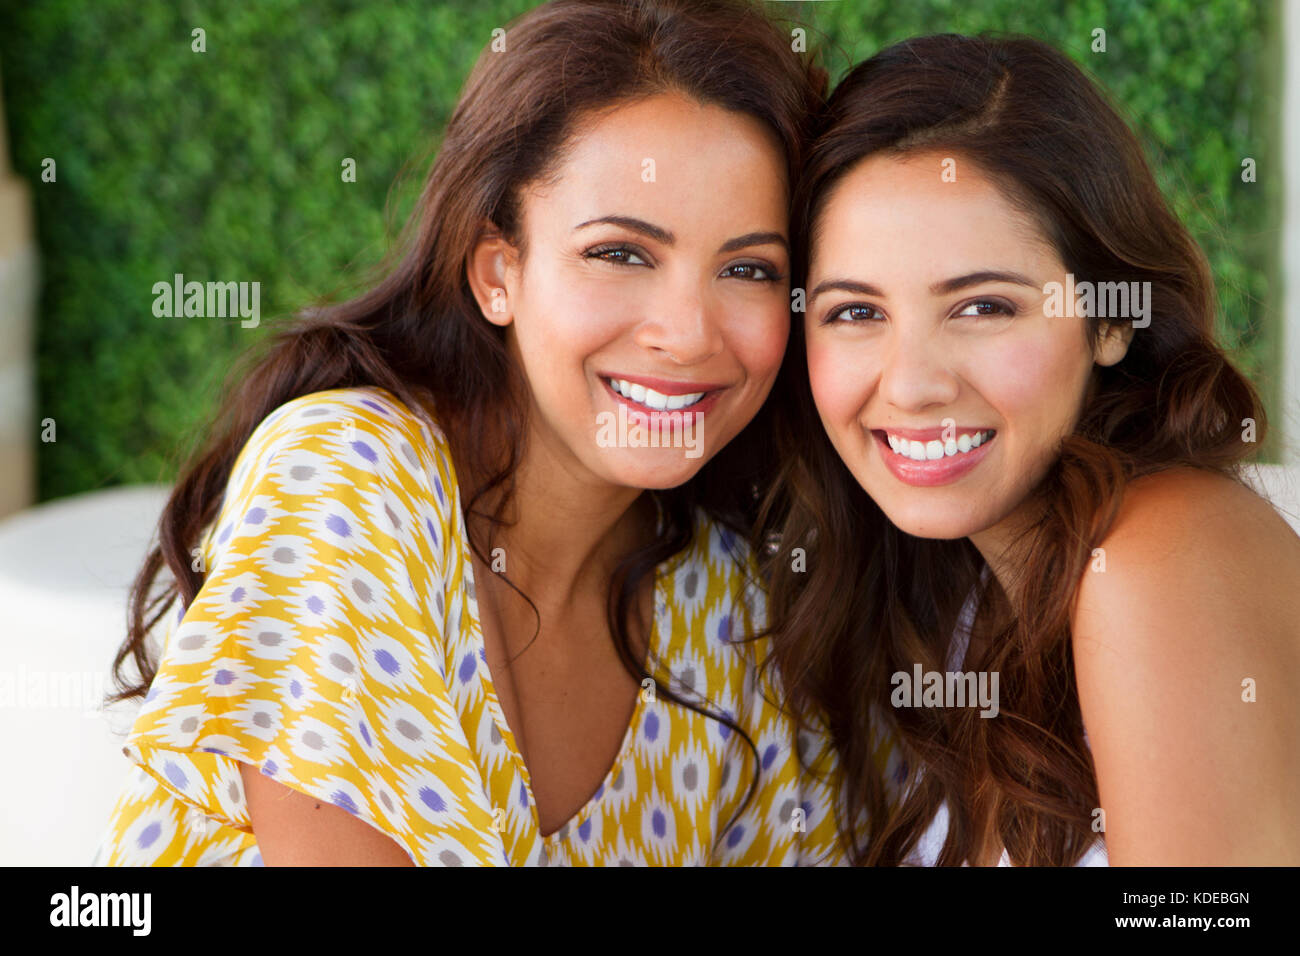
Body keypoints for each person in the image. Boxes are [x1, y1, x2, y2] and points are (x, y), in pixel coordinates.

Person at [93, 0, 857, 866]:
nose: (687, 332)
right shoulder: (348, 480)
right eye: (620, 253)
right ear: (499, 272)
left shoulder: (730, 613)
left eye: (749, 269)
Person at [759, 33, 1300, 866]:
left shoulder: (1159, 558)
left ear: (1111, 319)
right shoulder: (964, 601)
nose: (910, 385)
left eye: (982, 307)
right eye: (855, 313)